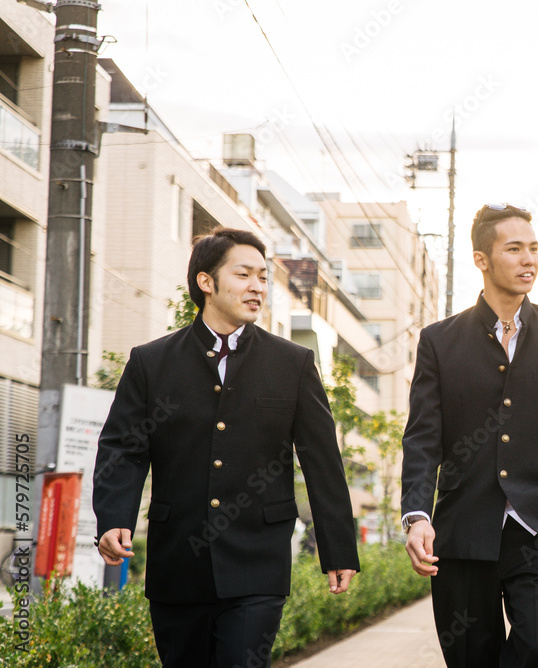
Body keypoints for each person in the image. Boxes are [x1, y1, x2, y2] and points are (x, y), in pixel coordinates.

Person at [93, 228, 360, 668]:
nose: (257, 286)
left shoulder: (291, 364)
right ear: (206, 282)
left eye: (262, 277)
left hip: (258, 561)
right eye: (244, 275)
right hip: (177, 561)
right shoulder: (151, 361)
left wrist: (338, 549)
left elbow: (322, 461)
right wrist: (113, 517)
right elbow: (123, 448)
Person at [400, 203, 538, 667]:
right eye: (513, 249)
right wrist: (416, 515)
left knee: (536, 648)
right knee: (471, 656)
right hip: (462, 529)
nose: (528, 259)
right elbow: (422, 438)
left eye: (534, 248)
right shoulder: (439, 340)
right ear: (482, 259)